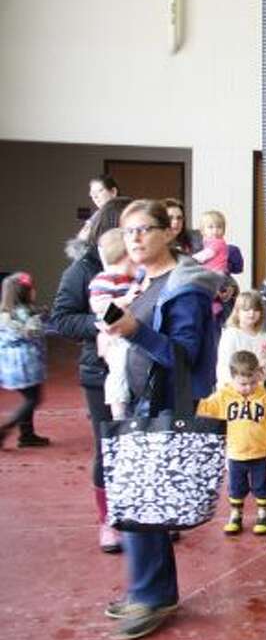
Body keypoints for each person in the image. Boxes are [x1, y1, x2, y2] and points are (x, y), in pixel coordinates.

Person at [98, 198, 223, 640]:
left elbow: (183, 355)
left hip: (164, 405)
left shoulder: (184, 288)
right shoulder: (146, 280)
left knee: (142, 502)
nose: (135, 238)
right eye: (128, 231)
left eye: (144, 229)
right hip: (141, 401)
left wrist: (135, 331)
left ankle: (151, 595)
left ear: (169, 232)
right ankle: (149, 589)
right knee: (139, 500)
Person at [50, 196, 134, 552]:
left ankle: (144, 515)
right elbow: (63, 318)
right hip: (101, 373)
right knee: (108, 447)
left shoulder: (144, 267)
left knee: (141, 444)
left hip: (143, 369)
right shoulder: (83, 269)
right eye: (132, 229)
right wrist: (106, 323)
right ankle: (108, 522)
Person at [197, 350, 266, 536]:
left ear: (259, 376)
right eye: (243, 384)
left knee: (261, 486)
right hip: (235, 454)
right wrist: (188, 399)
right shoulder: (223, 397)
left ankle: (264, 514)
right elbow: (205, 407)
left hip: (260, 454)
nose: (248, 387)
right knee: (236, 487)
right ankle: (236, 515)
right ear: (233, 378)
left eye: (253, 382)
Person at [87, 228, 139, 420]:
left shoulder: (131, 279)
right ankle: (118, 410)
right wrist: (126, 299)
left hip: (128, 334)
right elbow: (100, 308)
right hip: (116, 338)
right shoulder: (105, 279)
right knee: (119, 372)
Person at [0, 273, 50, 448]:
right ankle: (6, 429)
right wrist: (41, 317)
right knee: (33, 399)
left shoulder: (7, 311)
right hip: (25, 364)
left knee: (30, 396)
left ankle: (27, 435)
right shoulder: (23, 313)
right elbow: (33, 330)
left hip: (10, 365)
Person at [216, 290, 266, 386]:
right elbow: (225, 364)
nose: (251, 313)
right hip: (233, 387)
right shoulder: (231, 334)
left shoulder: (263, 335)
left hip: (255, 385)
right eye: (246, 309)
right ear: (237, 312)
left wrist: (265, 366)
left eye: (256, 310)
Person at [76, 175, 120, 242]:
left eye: (99, 191)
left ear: (113, 192)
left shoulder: (119, 213)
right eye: (92, 194)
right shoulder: (97, 215)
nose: (95, 197)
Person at [192, 209, 229, 274]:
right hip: (210, 271)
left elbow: (207, 253)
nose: (215, 230)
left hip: (216, 272)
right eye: (211, 227)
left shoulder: (218, 242)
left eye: (219, 227)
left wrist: (192, 258)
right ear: (203, 231)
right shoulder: (207, 240)